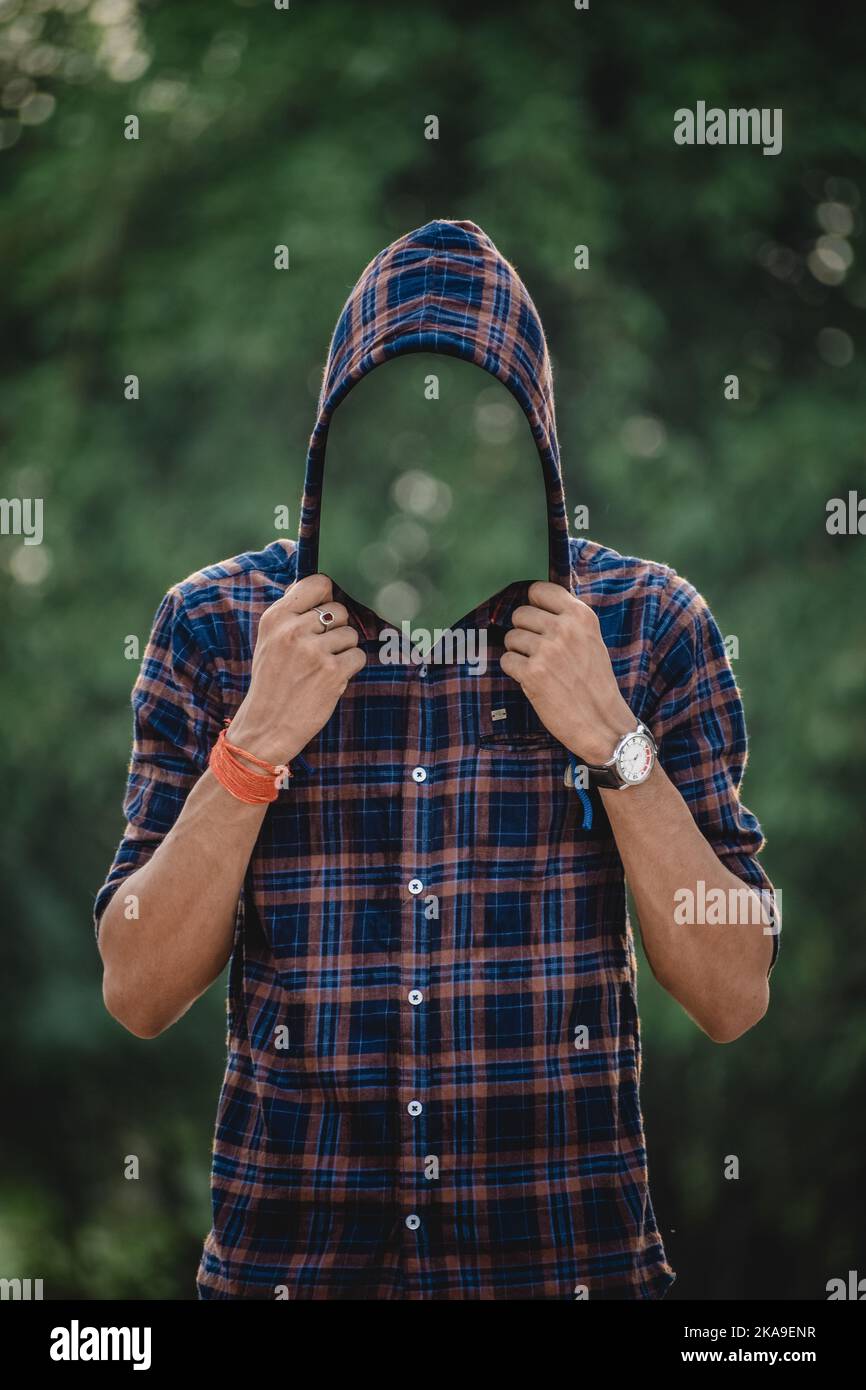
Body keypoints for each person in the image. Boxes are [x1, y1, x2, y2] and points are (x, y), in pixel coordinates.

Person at [95, 219, 779, 1300]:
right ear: (330, 437)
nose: (432, 455)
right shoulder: (218, 627)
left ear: (536, 440)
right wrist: (253, 746)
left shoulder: (645, 625)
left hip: (567, 1270)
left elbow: (732, 992)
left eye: (478, 417)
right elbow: (135, 988)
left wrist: (614, 743)